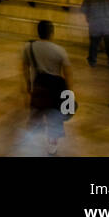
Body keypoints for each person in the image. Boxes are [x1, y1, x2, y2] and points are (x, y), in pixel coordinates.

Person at [23, 19, 73, 155]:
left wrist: (28, 84)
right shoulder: (60, 51)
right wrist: (69, 93)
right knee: (54, 117)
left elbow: (25, 67)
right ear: (52, 33)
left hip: (38, 86)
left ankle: (28, 142)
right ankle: (52, 144)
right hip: (55, 89)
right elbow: (68, 74)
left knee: (35, 114)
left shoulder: (29, 47)